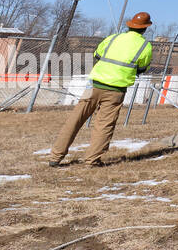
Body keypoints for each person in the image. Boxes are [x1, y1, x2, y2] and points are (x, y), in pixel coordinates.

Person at [49, 12, 154, 168]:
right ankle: (91, 161)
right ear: (145, 29)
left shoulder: (113, 38)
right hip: (116, 91)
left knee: (75, 120)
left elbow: (98, 54)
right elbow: (142, 68)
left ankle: (55, 157)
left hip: (94, 85)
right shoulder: (145, 46)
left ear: (130, 25)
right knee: (104, 126)